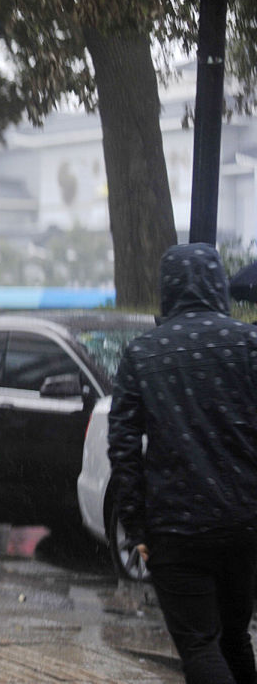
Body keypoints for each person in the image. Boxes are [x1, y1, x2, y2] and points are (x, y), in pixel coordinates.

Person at [108, 243, 257, 684]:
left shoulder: (142, 355)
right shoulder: (250, 345)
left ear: (166, 289)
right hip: (245, 522)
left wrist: (135, 527)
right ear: (218, 285)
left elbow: (124, 447)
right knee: (236, 637)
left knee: (199, 644)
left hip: (177, 527)